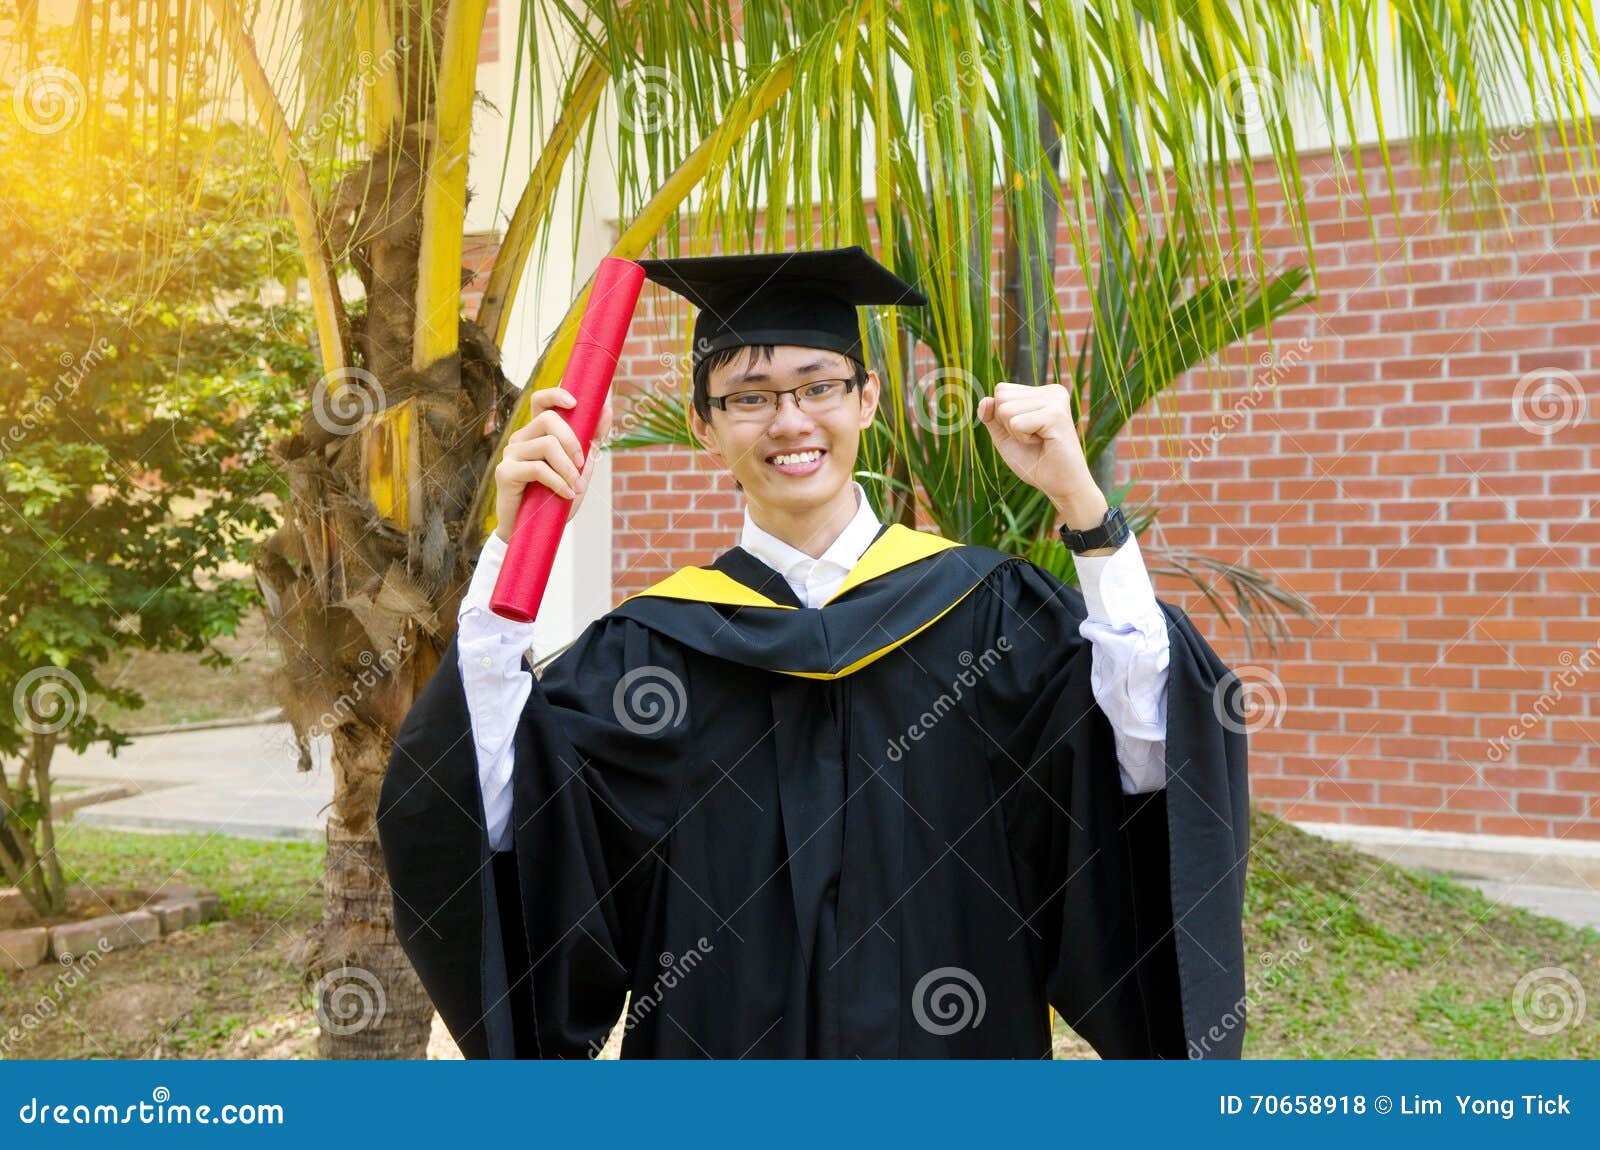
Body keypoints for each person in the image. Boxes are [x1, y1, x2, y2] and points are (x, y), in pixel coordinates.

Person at [377, 245, 1250, 1059]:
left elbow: (1146, 755)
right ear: (703, 426)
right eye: (749, 396)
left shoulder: (986, 617)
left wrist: (1085, 509)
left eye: (817, 385)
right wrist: (510, 552)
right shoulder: (651, 649)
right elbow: (487, 802)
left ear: (866, 398)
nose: (790, 420)